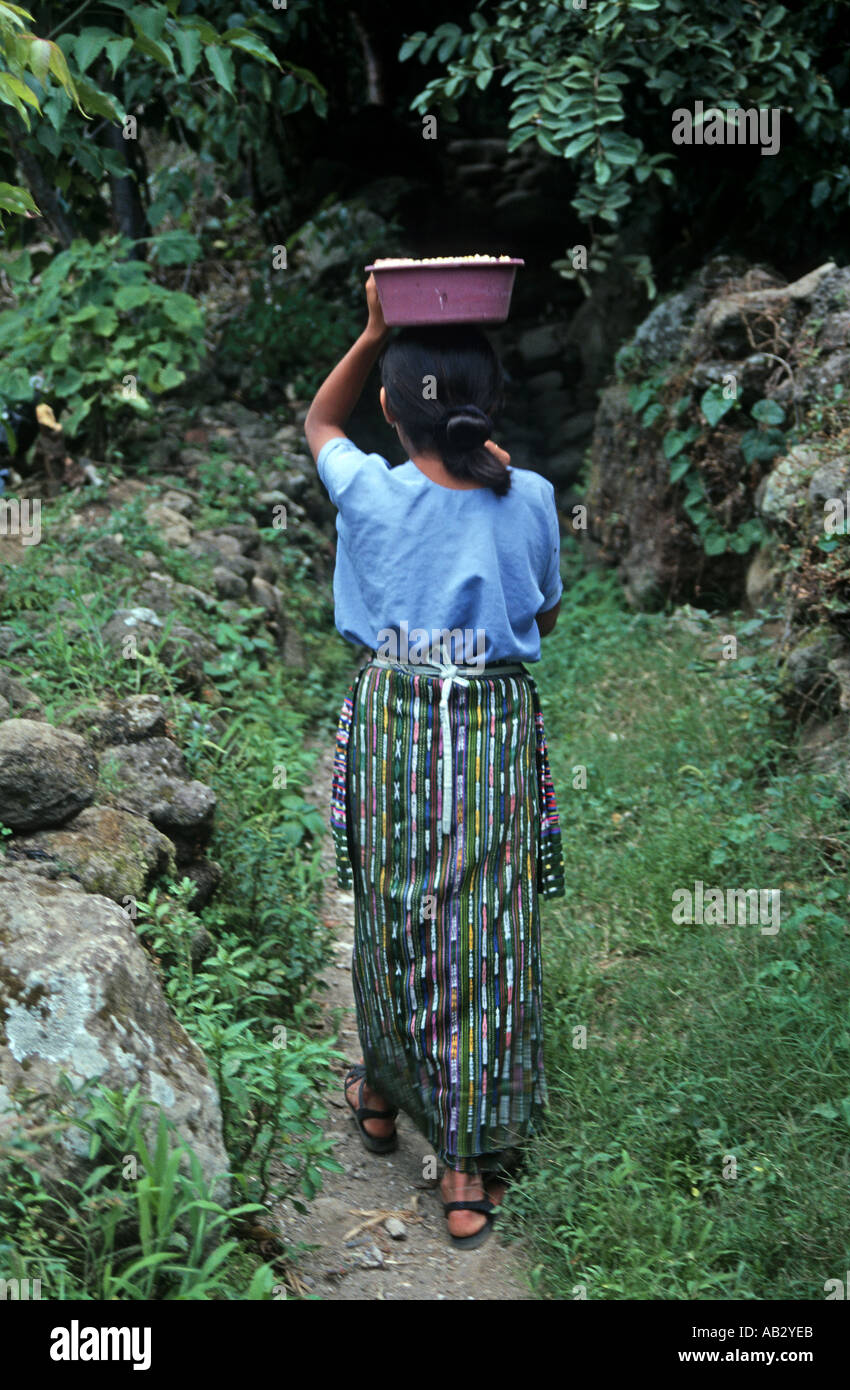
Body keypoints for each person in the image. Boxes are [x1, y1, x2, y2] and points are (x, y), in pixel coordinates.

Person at [304, 273, 565, 1250]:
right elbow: (539, 612)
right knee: (481, 931)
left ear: (388, 404)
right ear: (488, 404)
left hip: (392, 720)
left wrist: (373, 327)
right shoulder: (529, 497)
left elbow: (317, 421)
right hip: (489, 726)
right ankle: (463, 1164)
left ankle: (381, 1085)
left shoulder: (368, 489)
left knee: (393, 908)